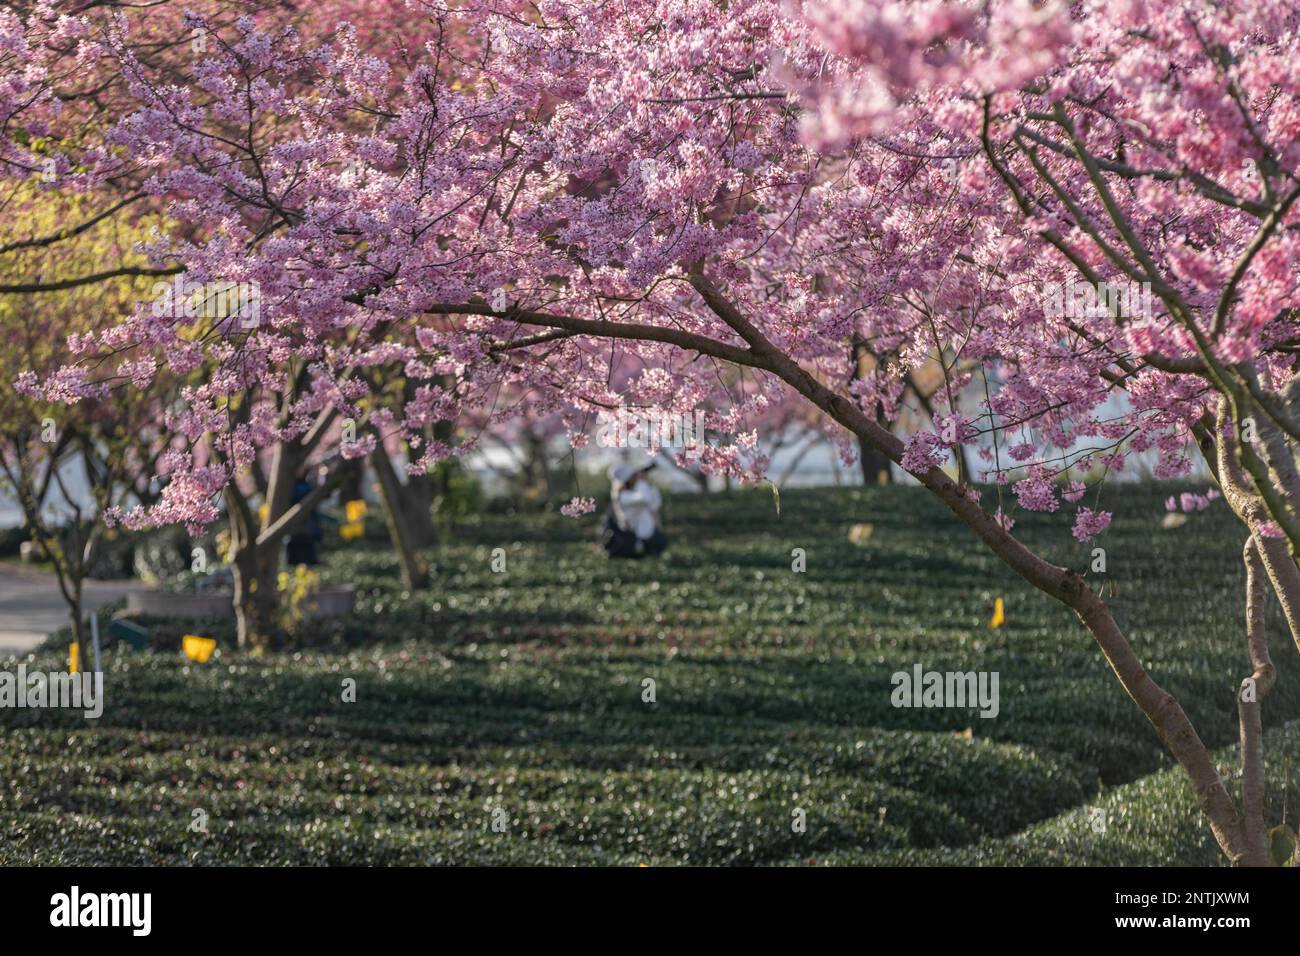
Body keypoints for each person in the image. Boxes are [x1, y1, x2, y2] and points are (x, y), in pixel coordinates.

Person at [601, 463, 667, 559]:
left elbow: (655, 504)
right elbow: (645, 499)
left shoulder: (633, 492)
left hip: (646, 536)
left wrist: (647, 484)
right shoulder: (623, 497)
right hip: (632, 541)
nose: (636, 477)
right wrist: (641, 482)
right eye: (633, 476)